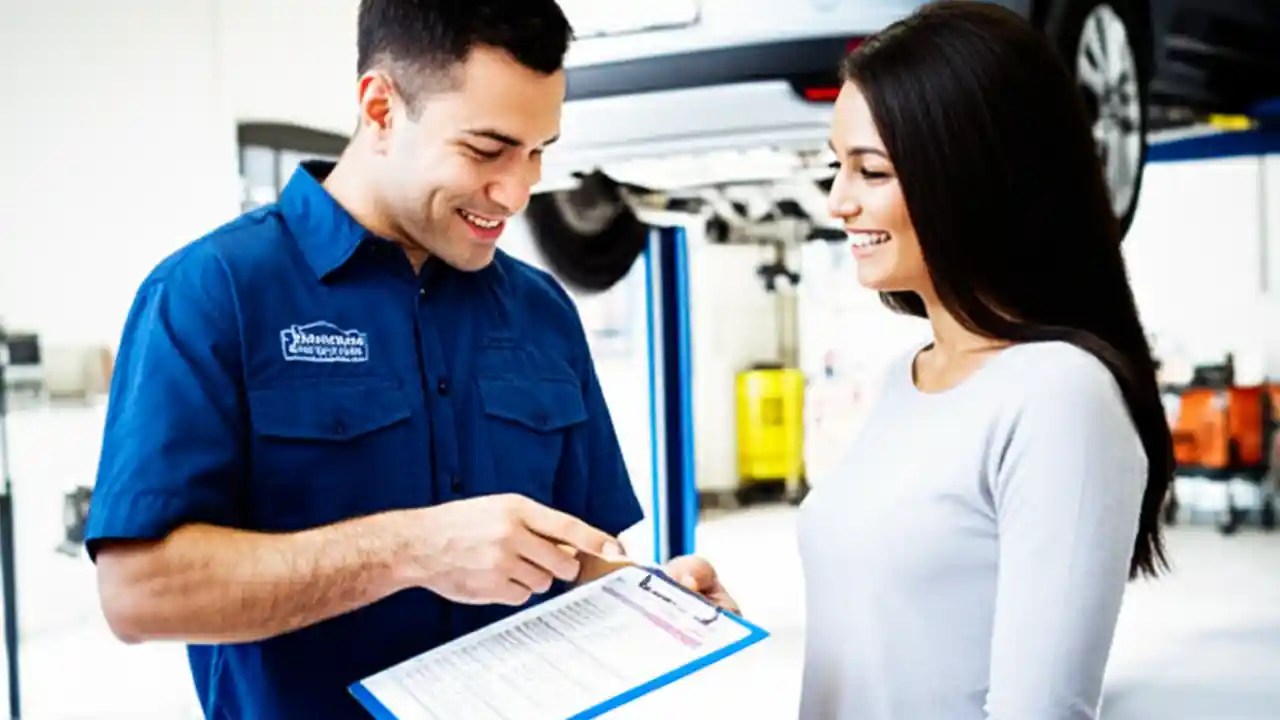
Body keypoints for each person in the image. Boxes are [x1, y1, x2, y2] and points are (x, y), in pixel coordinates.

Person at [85, 2, 734, 718]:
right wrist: (413, 549)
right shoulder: (213, 294)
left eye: (538, 151)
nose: (516, 193)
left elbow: (581, 556)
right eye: (486, 150)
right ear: (381, 107)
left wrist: (652, 603)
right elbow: (139, 594)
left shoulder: (542, 311)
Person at [798, 3, 1174, 719]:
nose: (839, 202)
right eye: (835, 167)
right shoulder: (906, 381)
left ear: (967, 172)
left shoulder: (1060, 395)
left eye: (869, 170)